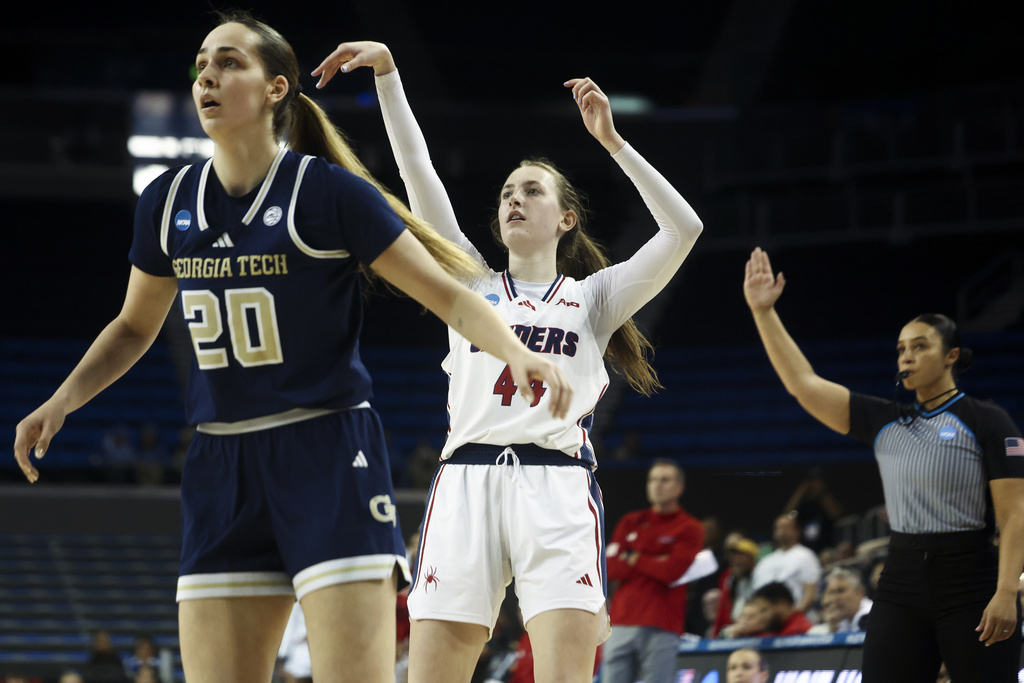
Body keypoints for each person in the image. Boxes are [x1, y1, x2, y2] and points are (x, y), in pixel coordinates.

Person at [13, 12, 572, 683]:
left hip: (328, 452)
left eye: (229, 62)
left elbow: (447, 294)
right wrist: (62, 399)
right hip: (220, 461)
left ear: (277, 88)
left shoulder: (328, 194)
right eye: (201, 64)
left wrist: (518, 350)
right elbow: (134, 326)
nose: (208, 77)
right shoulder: (168, 202)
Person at [311, 39, 703, 683]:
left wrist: (613, 144)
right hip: (465, 480)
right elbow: (417, 174)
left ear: (567, 218)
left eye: (531, 191)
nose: (514, 199)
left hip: (557, 486)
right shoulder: (470, 282)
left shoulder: (594, 298)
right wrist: (388, 75)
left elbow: (682, 228)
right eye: (505, 194)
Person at [743, 246, 1024, 682]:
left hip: (971, 581)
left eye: (919, 346)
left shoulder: (988, 421)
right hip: (901, 582)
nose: (906, 357)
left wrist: (1008, 591)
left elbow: (1014, 513)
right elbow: (803, 384)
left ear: (951, 356)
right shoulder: (883, 419)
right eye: (900, 349)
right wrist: (764, 313)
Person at [601, 460, 704, 683]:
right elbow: (610, 568)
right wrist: (655, 560)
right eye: (653, 480)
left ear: (679, 487)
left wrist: (634, 557)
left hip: (662, 623)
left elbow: (672, 571)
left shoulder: (690, 528)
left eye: (665, 480)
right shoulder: (631, 521)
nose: (657, 485)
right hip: (621, 620)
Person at [751, 512, 821, 613]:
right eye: (778, 527)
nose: (782, 530)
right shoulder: (764, 562)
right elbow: (755, 595)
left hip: (794, 616)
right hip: (765, 620)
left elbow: (810, 593)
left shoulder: (806, 556)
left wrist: (794, 618)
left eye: (786, 527)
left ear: (797, 531)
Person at [711, 537, 760, 637]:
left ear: (752, 558)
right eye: (734, 555)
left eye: (741, 555)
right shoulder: (731, 580)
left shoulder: (761, 579)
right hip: (736, 631)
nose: (735, 559)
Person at [807, 567, 872, 634]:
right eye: (832, 592)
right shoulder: (842, 619)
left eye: (841, 591)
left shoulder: (872, 615)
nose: (835, 598)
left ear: (860, 591)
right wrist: (832, 627)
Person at [747, 582, 813, 636]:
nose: (762, 617)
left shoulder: (798, 629)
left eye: (764, 610)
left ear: (781, 604)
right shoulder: (778, 627)